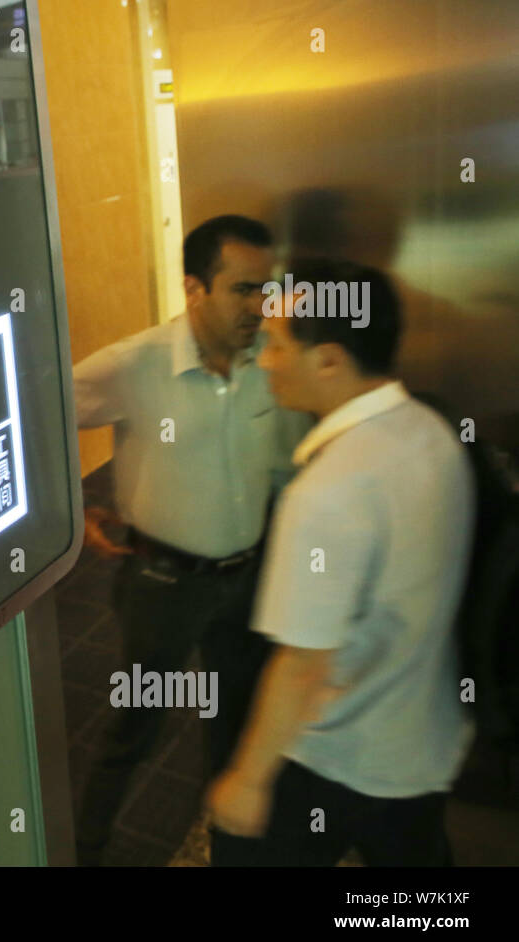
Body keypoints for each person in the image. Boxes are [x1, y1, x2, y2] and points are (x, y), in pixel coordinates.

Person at [207, 259, 474, 865]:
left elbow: (303, 665)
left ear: (328, 360)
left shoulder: (328, 492)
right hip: (422, 740)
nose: (264, 359)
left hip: (337, 754)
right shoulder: (432, 430)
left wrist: (247, 780)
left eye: (276, 344)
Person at [72, 215, 310, 865]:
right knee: (134, 730)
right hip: (162, 586)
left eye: (266, 290)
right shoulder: (137, 363)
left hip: (246, 581)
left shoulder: (272, 364)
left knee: (235, 725)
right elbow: (42, 416)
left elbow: (290, 468)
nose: (259, 307)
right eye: (242, 290)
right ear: (194, 289)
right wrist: (70, 512)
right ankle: (85, 848)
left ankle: (228, 851)